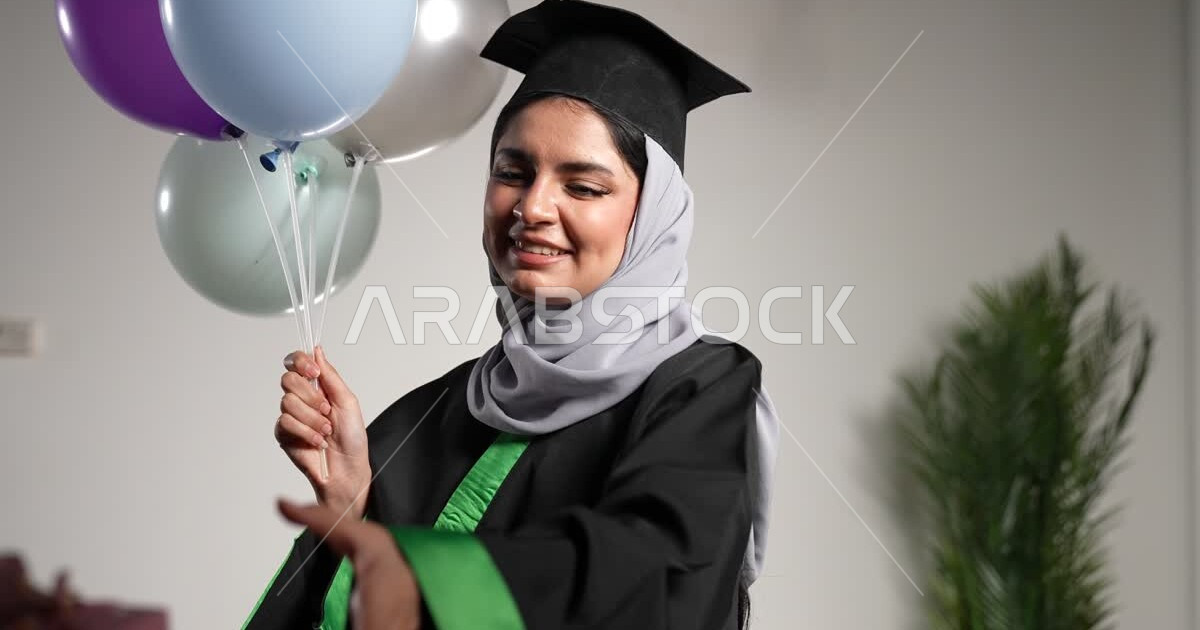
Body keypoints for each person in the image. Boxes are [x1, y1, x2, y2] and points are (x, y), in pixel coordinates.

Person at [243, 1, 781, 628]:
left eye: (583, 186)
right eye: (512, 172)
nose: (533, 207)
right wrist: (350, 507)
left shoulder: (700, 391)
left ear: (653, 217)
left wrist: (417, 575)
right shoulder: (428, 415)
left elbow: (657, 577)